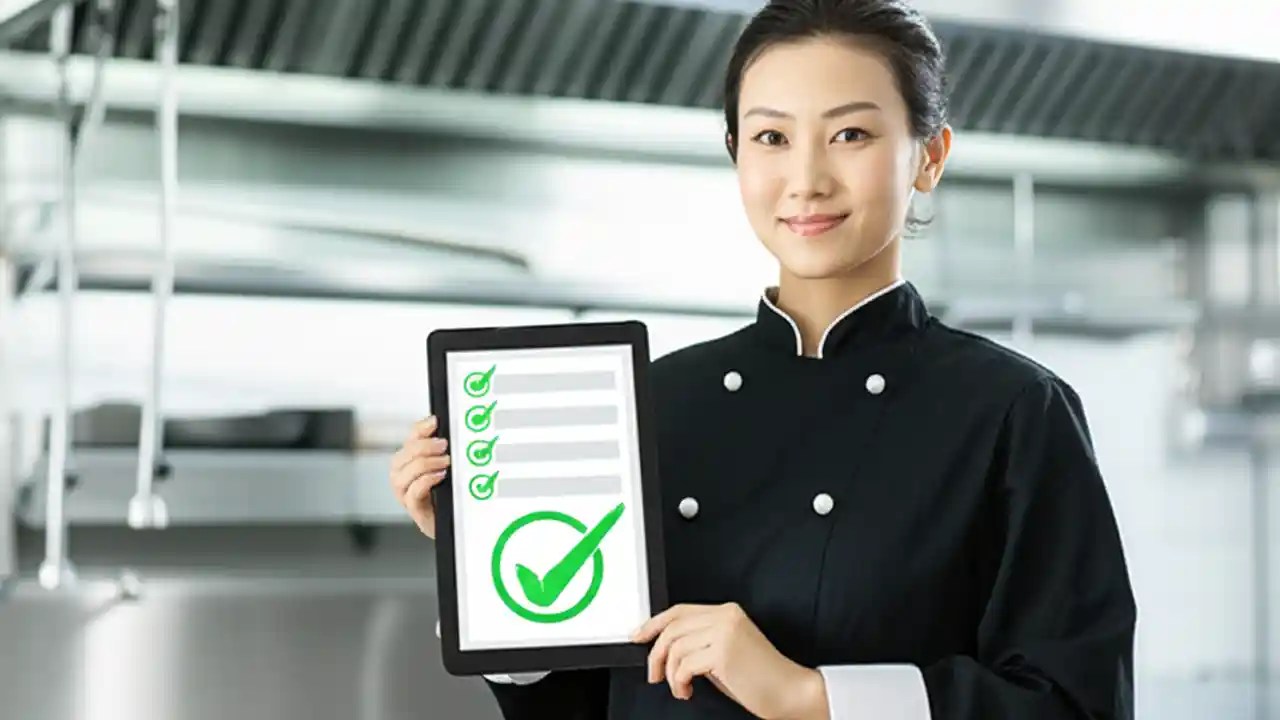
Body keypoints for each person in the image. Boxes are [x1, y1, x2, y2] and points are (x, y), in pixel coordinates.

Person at [387, 0, 1137, 718]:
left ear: (929, 157)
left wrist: (809, 698)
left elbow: (1077, 702)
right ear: (736, 155)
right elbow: (585, 702)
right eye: (772, 138)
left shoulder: (1012, 410)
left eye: (851, 136)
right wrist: (475, 552)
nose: (805, 179)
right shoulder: (652, 403)